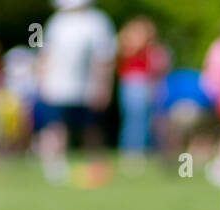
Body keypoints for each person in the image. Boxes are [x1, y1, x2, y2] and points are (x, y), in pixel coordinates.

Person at [36, 0, 116, 183]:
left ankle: (95, 168)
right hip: (56, 87)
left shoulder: (98, 22)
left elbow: (104, 58)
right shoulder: (56, 22)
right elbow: (45, 55)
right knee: (55, 128)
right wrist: (41, 83)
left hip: (86, 88)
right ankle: (55, 170)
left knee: (92, 129)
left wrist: (103, 86)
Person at [116, 16, 167, 154]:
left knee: (145, 120)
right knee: (134, 119)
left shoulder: (152, 50)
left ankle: (143, 148)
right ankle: (132, 149)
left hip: (145, 84)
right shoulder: (129, 48)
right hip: (132, 84)